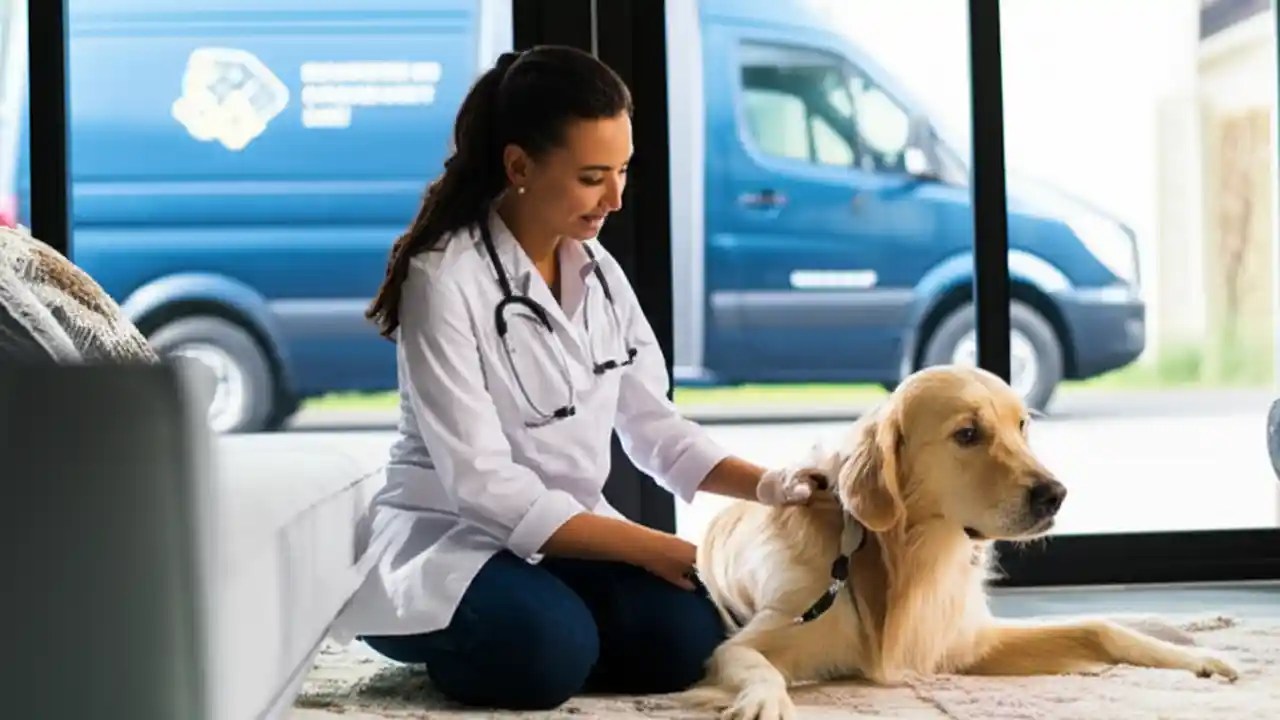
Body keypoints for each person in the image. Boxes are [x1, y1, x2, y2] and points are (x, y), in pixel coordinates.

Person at [332, 45, 824, 711]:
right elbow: (483, 486)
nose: (617, 198)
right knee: (543, 655)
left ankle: (561, 626)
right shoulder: (445, 278)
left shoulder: (598, 274)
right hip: (451, 538)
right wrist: (653, 546)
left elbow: (657, 430)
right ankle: (482, 637)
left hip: (568, 538)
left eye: (622, 171)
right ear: (519, 167)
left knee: (686, 640)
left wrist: (772, 485)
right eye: (594, 176)